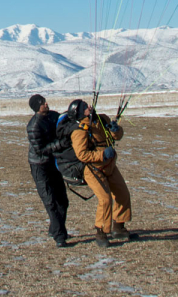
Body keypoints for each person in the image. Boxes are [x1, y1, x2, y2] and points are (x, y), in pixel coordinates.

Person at [69, 99, 137, 247]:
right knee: (105, 199)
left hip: (110, 166)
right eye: (85, 106)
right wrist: (102, 155)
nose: (89, 106)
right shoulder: (79, 131)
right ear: (80, 112)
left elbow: (116, 137)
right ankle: (101, 232)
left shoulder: (102, 119)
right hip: (93, 169)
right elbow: (82, 155)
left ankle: (118, 227)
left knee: (122, 193)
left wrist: (115, 130)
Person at [26, 93, 70, 247]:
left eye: (45, 101)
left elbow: (64, 120)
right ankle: (59, 236)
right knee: (50, 201)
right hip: (40, 167)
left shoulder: (52, 116)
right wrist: (60, 144)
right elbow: (40, 150)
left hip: (53, 163)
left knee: (62, 201)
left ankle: (55, 229)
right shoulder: (34, 126)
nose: (46, 104)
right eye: (43, 103)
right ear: (37, 107)